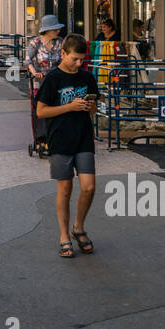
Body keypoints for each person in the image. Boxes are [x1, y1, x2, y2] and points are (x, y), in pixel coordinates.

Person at [35, 34, 102, 258]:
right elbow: (41, 111)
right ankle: (64, 235)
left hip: (83, 137)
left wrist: (91, 107)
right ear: (63, 54)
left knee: (89, 187)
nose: (78, 64)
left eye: (82, 59)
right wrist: (69, 107)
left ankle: (78, 227)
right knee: (65, 189)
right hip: (60, 139)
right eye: (74, 59)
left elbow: (94, 109)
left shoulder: (87, 77)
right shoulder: (53, 78)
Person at [26, 15, 66, 155]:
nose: (58, 31)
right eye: (55, 29)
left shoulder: (60, 42)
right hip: (39, 82)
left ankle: (55, 138)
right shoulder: (35, 42)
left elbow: (64, 60)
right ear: (48, 30)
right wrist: (35, 73)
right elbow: (28, 61)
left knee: (56, 109)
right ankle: (41, 139)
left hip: (56, 81)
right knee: (40, 110)